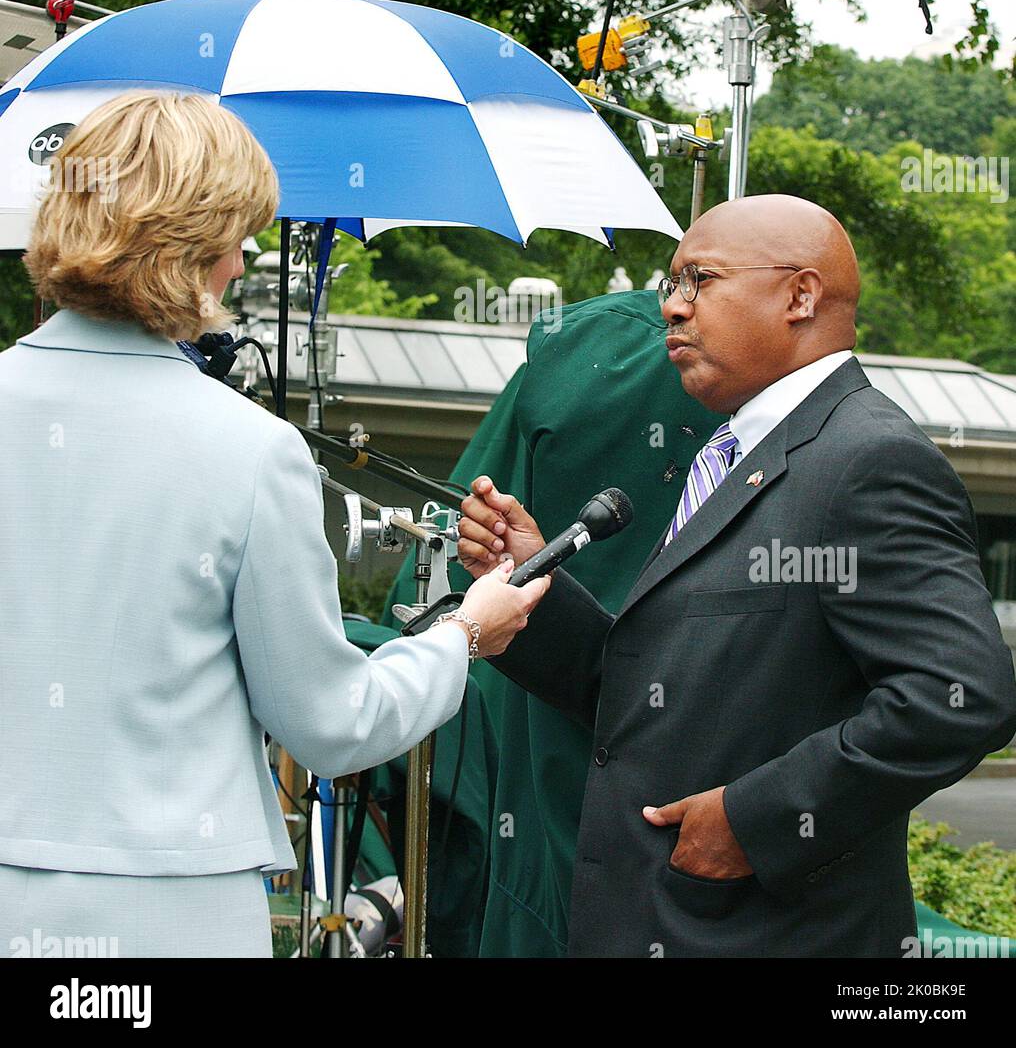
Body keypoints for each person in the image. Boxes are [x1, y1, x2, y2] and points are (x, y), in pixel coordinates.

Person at [0, 91, 548, 959]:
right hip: (169, 909)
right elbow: (330, 722)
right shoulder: (251, 451)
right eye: (238, 231)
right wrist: (463, 637)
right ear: (192, 243)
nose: (248, 253)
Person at [457, 194, 1016, 958]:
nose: (671, 308)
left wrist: (757, 822)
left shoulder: (870, 461)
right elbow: (651, 695)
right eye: (670, 284)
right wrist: (533, 583)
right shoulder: (734, 454)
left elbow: (963, 697)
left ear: (801, 296)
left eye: (699, 281)